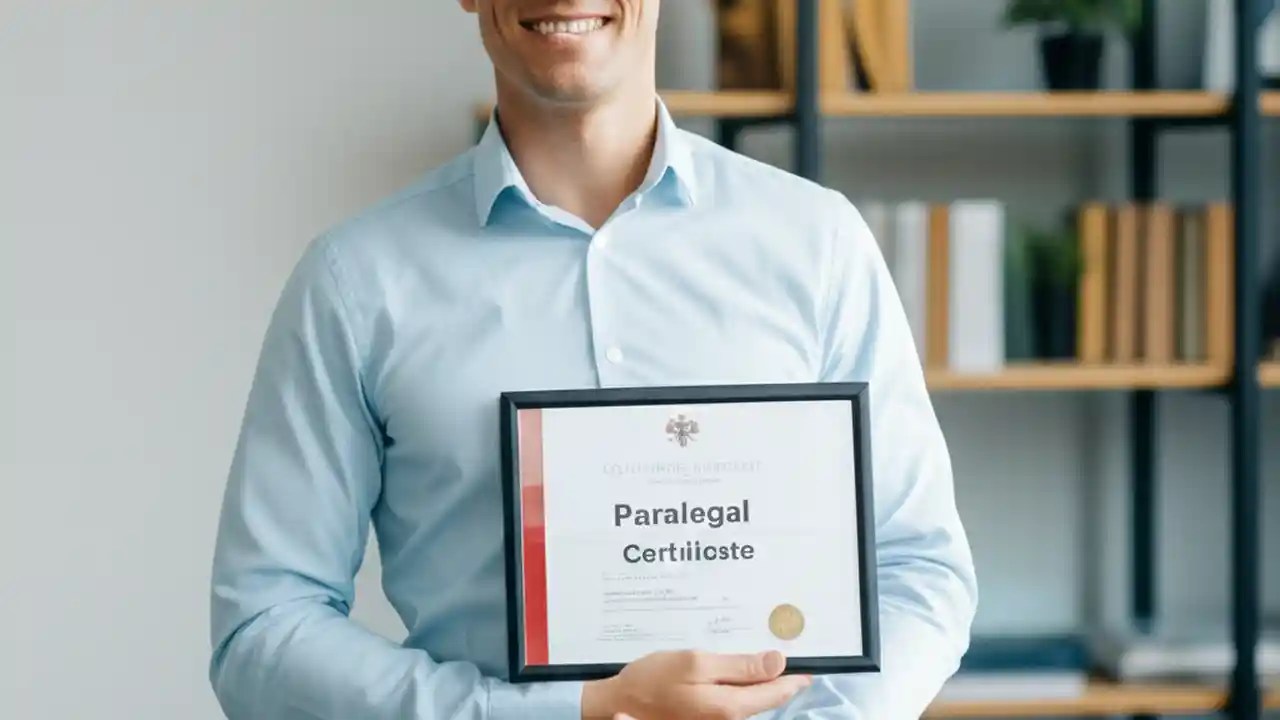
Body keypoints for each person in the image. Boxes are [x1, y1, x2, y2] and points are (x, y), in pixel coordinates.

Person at [208, 1, 978, 718]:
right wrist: (569, 713)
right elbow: (262, 630)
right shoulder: (356, 281)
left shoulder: (816, 244)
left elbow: (921, 569)